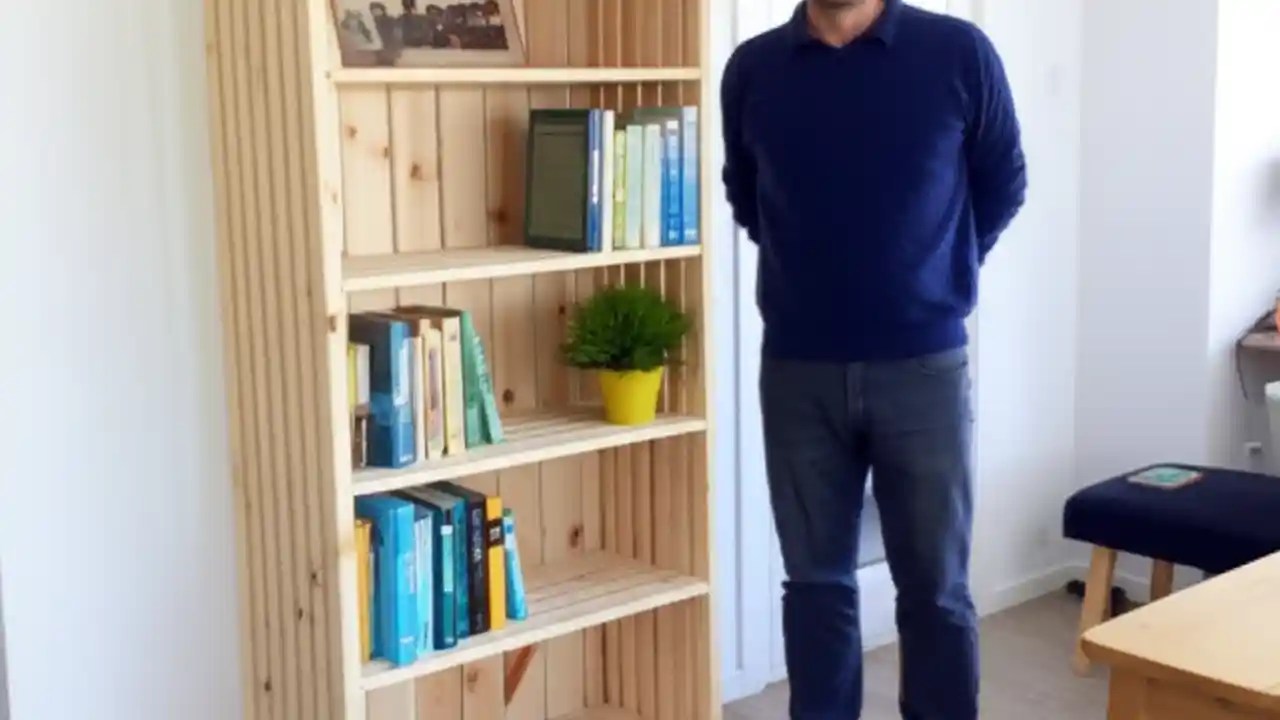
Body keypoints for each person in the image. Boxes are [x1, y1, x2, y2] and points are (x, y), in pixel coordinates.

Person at [720, 1, 1026, 719]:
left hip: (924, 369)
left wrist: (937, 272)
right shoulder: (754, 70)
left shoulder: (958, 53)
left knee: (936, 590)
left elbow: (1003, 182)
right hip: (798, 371)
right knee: (815, 586)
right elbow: (747, 194)